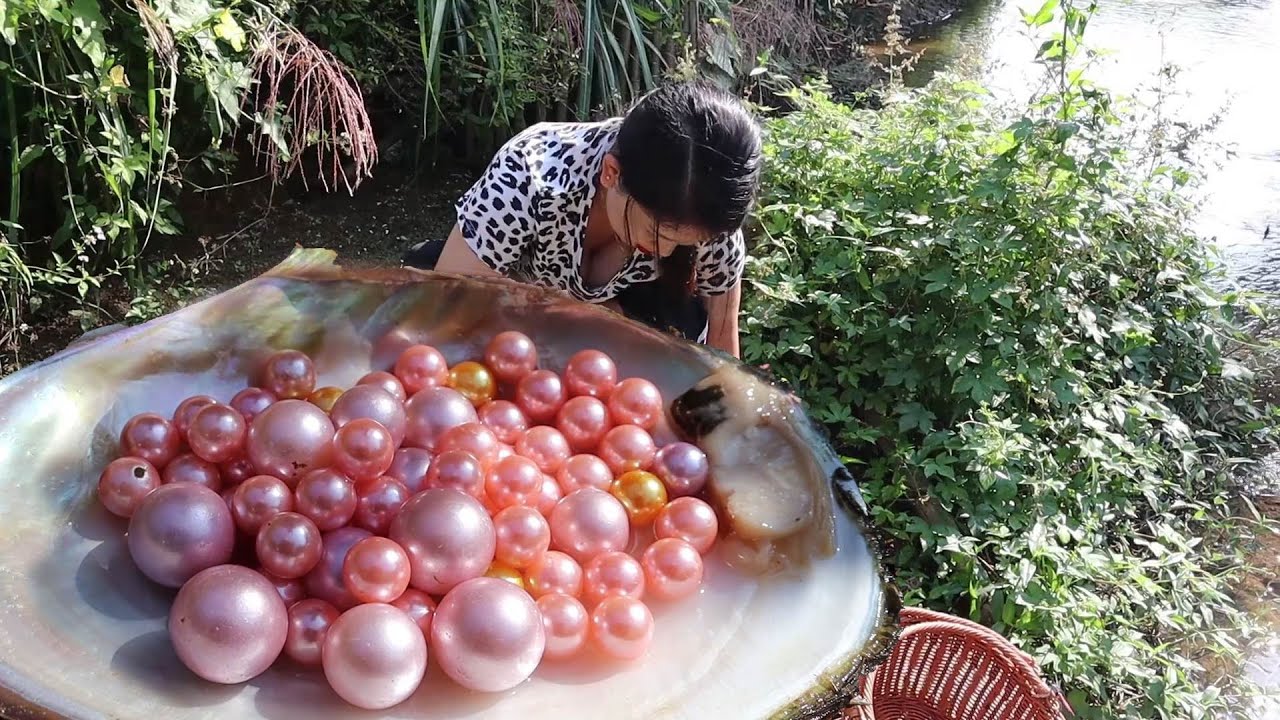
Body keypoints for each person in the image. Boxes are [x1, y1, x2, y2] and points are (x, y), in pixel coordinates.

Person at [402, 80, 763, 359]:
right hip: (522, 302)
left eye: (684, 242)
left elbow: (721, 341)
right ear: (611, 173)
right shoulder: (530, 174)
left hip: (634, 308)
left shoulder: (709, 211)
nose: (666, 252)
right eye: (660, 233)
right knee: (419, 292)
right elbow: (447, 302)